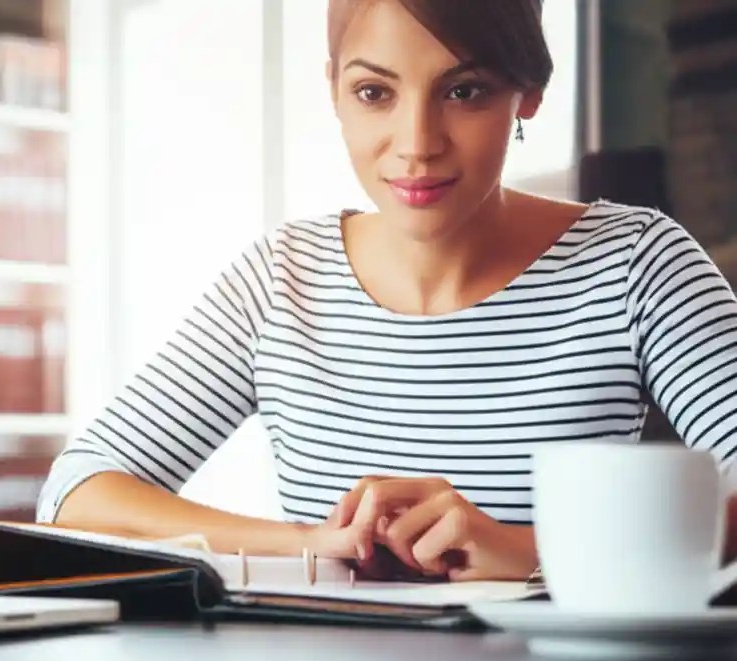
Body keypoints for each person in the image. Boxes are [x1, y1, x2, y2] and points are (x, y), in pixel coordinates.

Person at [37, 0, 737, 581]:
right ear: (335, 89)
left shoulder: (637, 264)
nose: (417, 143)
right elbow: (77, 493)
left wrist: (524, 551)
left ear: (529, 93)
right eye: (375, 93)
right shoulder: (281, 279)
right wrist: (310, 543)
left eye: (464, 91)